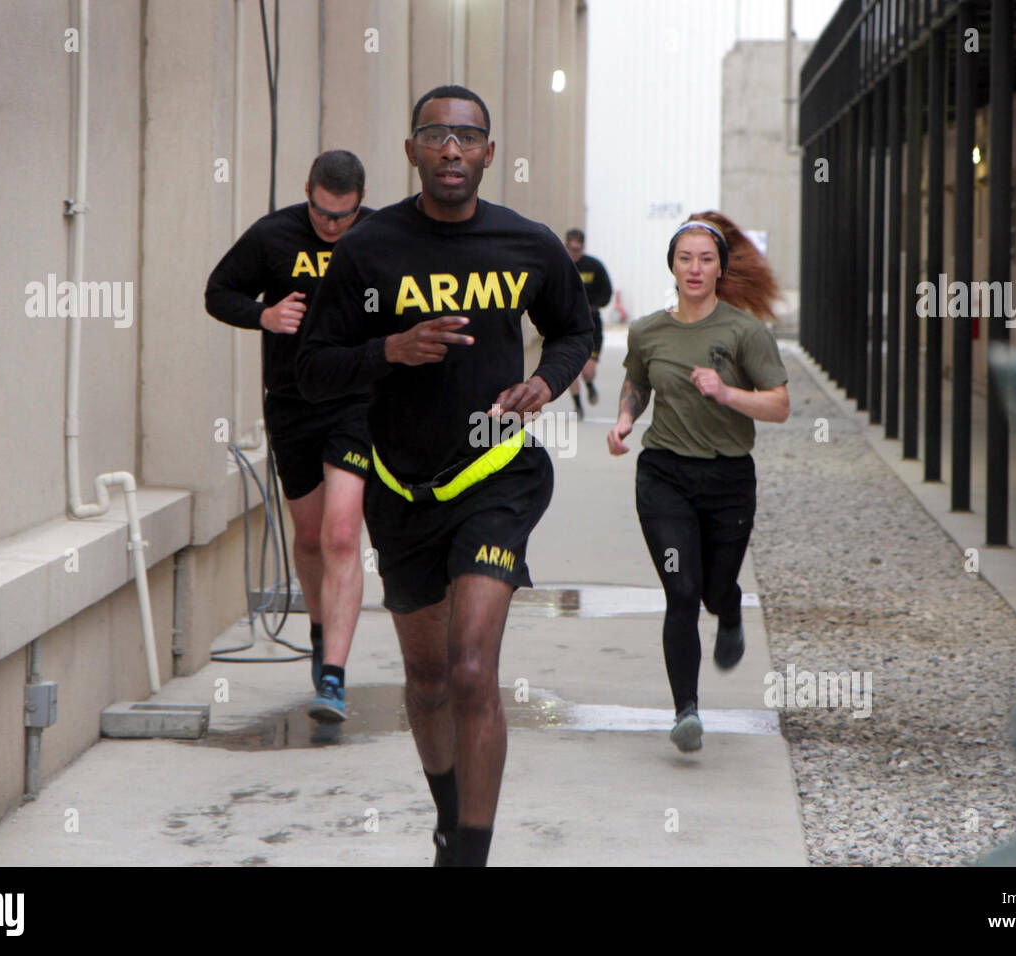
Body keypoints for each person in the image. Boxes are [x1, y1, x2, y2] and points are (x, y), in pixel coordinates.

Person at [297, 85, 591, 865]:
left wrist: (547, 383)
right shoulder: (369, 250)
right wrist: (387, 351)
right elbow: (313, 368)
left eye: (467, 138)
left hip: (496, 478)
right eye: (436, 135)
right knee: (426, 679)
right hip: (403, 488)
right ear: (412, 150)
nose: (452, 150)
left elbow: (575, 327)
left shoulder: (525, 245)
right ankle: (448, 817)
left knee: (469, 667)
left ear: (490, 152)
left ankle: (471, 853)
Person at [607, 212, 788, 753]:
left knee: (713, 590)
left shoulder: (744, 332)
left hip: (728, 477)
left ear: (719, 268)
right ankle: (686, 709)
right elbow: (636, 384)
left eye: (705, 259)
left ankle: (729, 610)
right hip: (664, 474)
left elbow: (778, 405)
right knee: (681, 591)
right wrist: (623, 421)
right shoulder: (647, 331)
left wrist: (728, 393)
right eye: (685, 258)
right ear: (673, 264)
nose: (694, 268)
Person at [205, 150, 373, 724]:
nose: (331, 227)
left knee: (343, 533)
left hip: (355, 401)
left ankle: (334, 675)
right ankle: (321, 630)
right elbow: (217, 292)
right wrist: (264, 316)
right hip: (292, 404)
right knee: (309, 537)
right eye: (322, 214)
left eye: (342, 216)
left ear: (359, 203)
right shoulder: (272, 235)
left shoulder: (378, 235)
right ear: (308, 193)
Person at [563, 228, 612, 419]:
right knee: (570, 369)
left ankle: (590, 385)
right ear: (566, 246)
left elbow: (606, 292)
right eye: (571, 249)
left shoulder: (594, 267)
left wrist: (595, 305)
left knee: (587, 370)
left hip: (591, 326)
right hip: (566, 326)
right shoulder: (559, 265)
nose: (574, 253)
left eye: (578, 249)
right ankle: (578, 406)